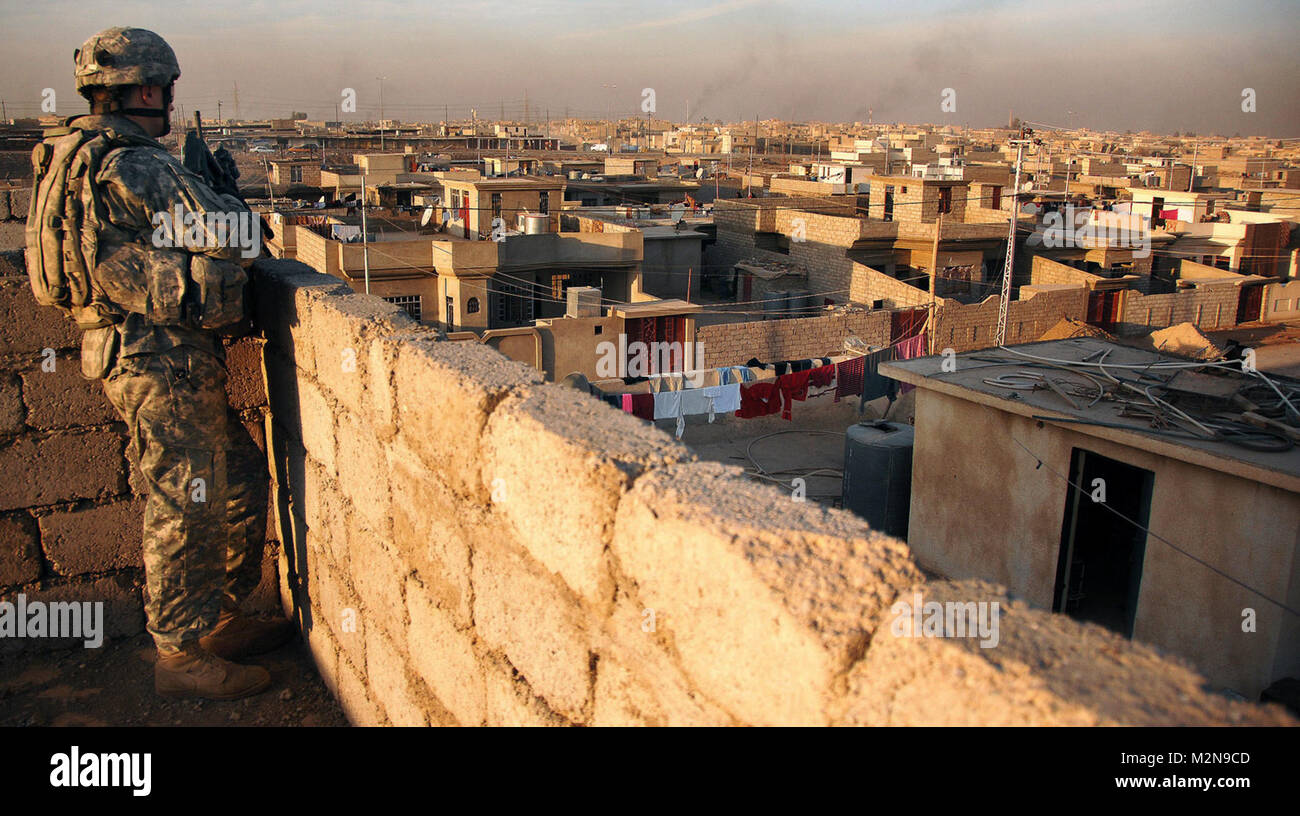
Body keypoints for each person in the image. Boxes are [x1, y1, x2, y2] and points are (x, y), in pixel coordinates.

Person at [29, 26, 292, 700]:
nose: (170, 103)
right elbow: (237, 237)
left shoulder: (73, 154)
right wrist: (221, 193)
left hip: (144, 356)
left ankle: (218, 622)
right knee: (184, 502)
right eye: (166, 90)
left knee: (234, 480)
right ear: (147, 88)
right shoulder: (134, 163)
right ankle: (178, 657)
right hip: (157, 360)